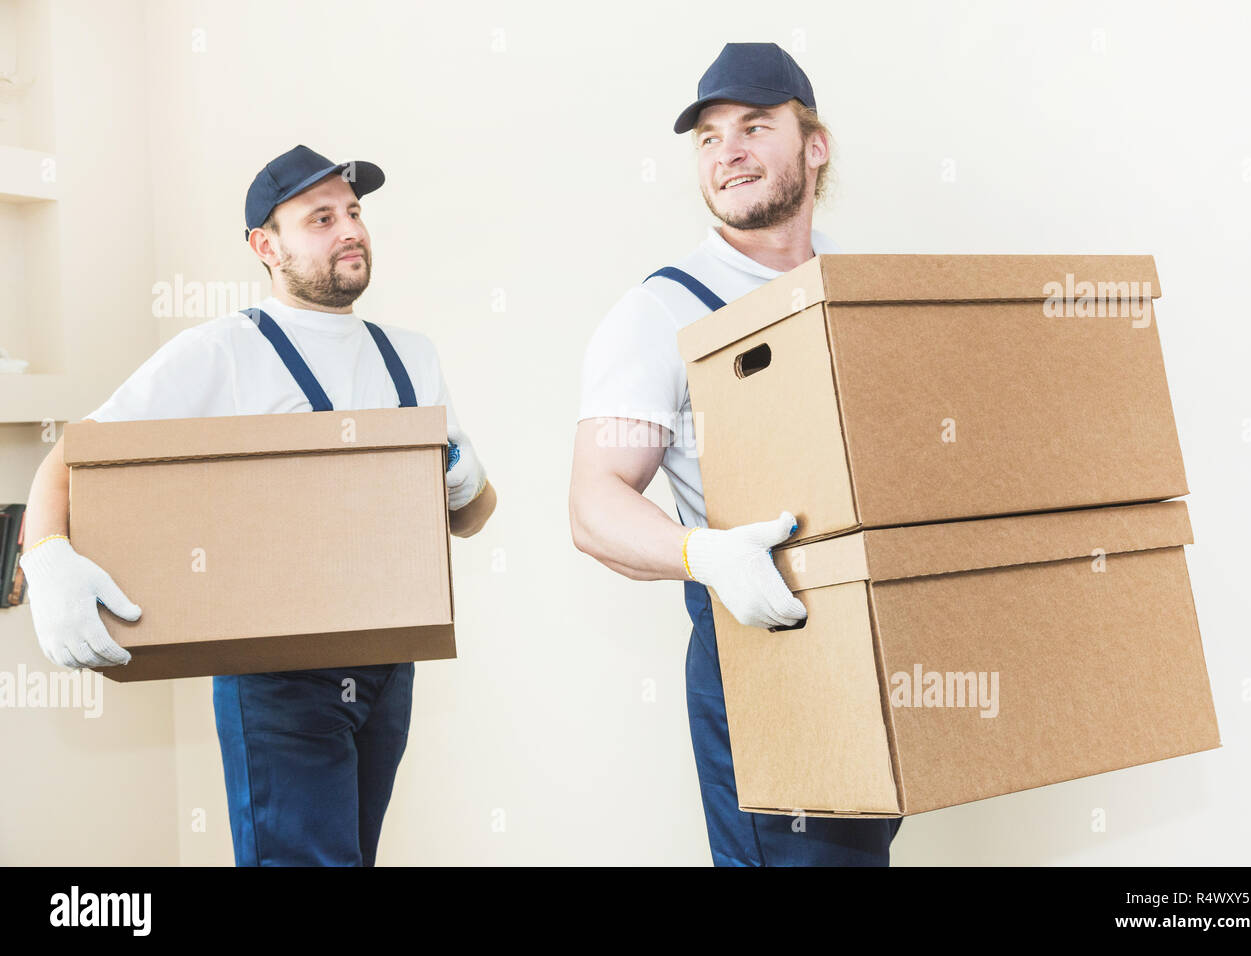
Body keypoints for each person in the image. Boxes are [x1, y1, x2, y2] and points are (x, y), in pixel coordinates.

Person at [19, 144, 495, 866]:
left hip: (391, 664)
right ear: (265, 246)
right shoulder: (224, 352)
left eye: (355, 212)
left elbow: (471, 517)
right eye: (321, 218)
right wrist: (46, 557)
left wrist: (463, 478)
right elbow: (71, 456)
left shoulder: (412, 356)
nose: (350, 230)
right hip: (279, 680)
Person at [570, 43, 902, 866]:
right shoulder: (664, 311)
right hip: (763, 654)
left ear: (814, 146)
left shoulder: (860, 293)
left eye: (755, 126)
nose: (729, 153)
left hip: (880, 645)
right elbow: (593, 500)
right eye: (710, 137)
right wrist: (703, 553)